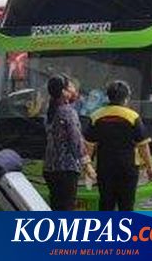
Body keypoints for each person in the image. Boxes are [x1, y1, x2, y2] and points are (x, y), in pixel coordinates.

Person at [84, 80, 152, 211]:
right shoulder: (133, 116)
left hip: (105, 167)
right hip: (128, 167)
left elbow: (88, 146)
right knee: (127, 205)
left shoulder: (96, 116)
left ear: (108, 96)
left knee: (106, 203)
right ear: (126, 98)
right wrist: (149, 167)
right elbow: (143, 146)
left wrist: (87, 166)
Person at [43, 75, 95, 211]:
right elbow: (75, 141)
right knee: (66, 209)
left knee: (57, 208)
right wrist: (87, 165)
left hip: (50, 168)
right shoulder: (67, 112)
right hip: (66, 169)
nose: (75, 91)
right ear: (63, 92)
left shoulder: (50, 111)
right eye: (71, 87)